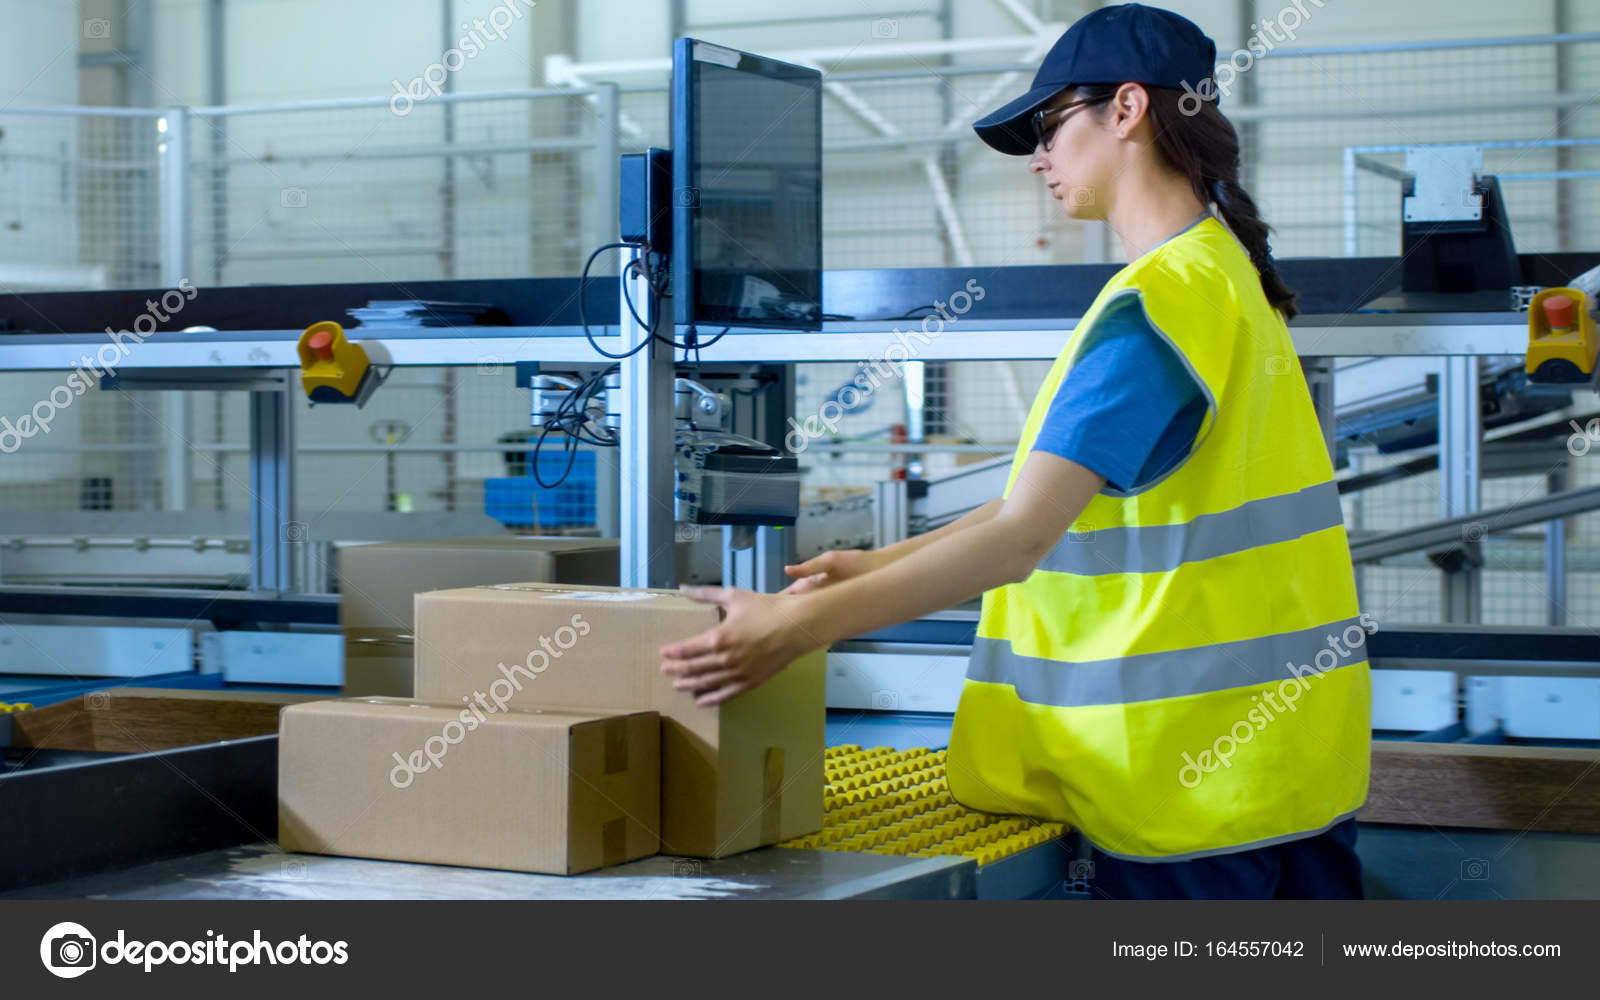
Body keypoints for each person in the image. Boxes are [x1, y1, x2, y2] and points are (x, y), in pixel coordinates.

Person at [659, 3, 1370, 900]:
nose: (1039, 155)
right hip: (1292, 772)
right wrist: (884, 560)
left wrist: (795, 629)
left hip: (1183, 801)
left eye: (1048, 124)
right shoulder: (1226, 276)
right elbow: (1045, 512)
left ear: (1126, 110)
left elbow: (1021, 539)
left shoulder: (1152, 311)